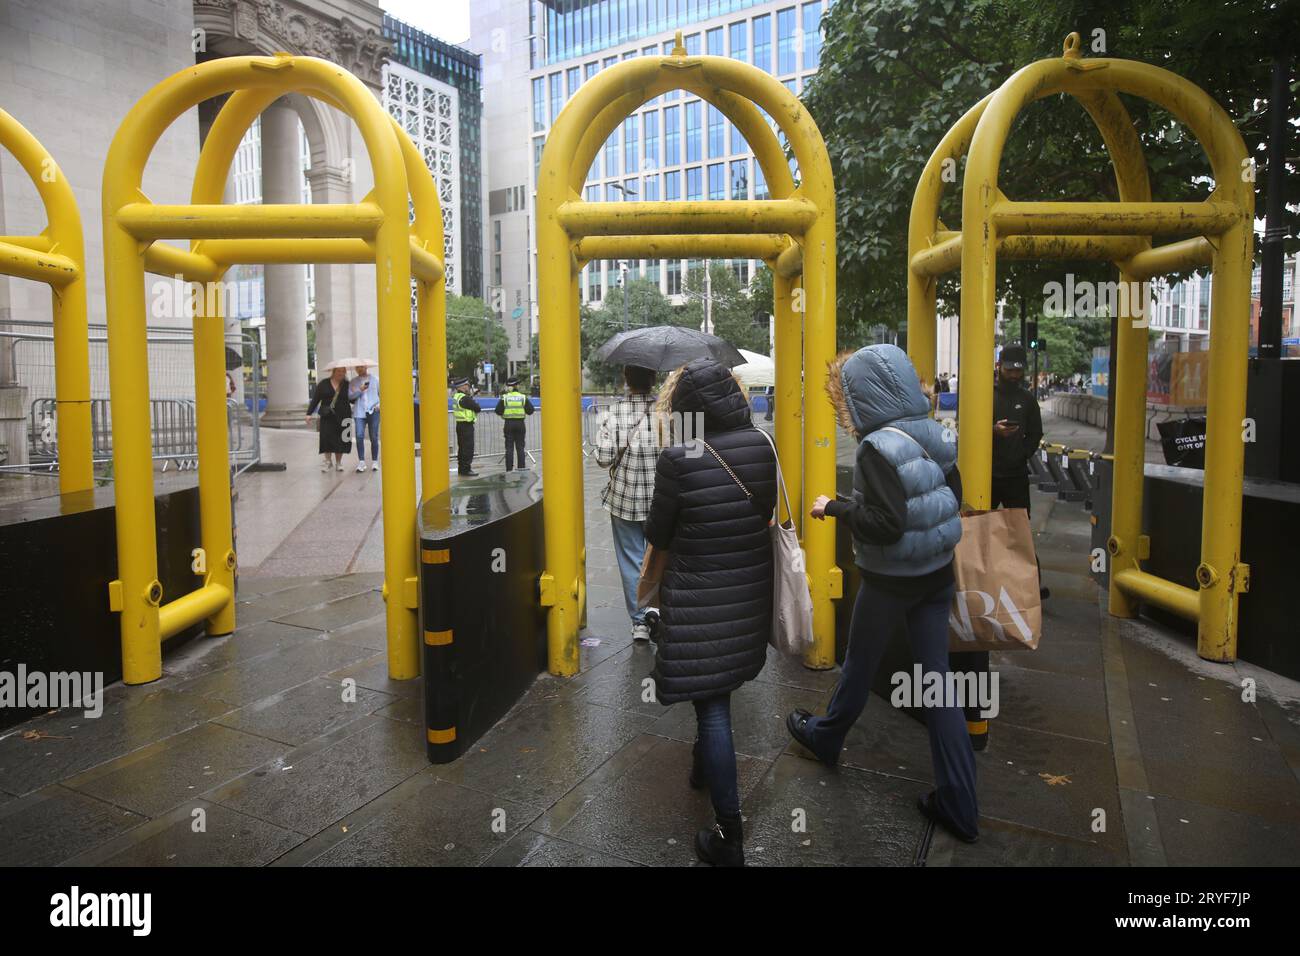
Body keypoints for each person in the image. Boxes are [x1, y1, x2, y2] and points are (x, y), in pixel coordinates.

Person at [784, 344, 978, 845]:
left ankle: (826, 738)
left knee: (857, 665)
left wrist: (834, 509)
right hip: (937, 574)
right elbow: (946, 496)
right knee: (938, 684)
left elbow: (886, 524)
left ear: (862, 396)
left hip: (891, 580)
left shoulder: (875, 448)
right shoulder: (935, 429)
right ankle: (959, 801)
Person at [643, 358, 777, 867]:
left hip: (698, 594)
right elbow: (762, 511)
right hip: (748, 590)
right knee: (717, 689)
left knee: (713, 706)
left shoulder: (679, 457)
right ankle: (703, 766)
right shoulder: (763, 444)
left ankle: (729, 834)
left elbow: (658, 533)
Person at [594, 365, 661, 642]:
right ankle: (660, 611)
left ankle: (640, 622)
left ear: (626, 380)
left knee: (630, 559)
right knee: (659, 557)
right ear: (654, 379)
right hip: (662, 500)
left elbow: (603, 458)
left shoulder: (612, 414)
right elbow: (689, 454)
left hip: (624, 500)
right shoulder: (669, 413)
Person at [306, 365, 352, 472]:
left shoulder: (347, 384)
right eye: (338, 371)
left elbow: (353, 399)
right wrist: (309, 413)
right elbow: (316, 399)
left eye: (343, 371)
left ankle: (339, 463)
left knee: (341, 439)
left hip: (344, 415)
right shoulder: (324, 384)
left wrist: (360, 391)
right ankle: (327, 461)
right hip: (327, 416)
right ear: (333, 372)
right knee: (326, 438)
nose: (341, 373)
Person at [494, 376, 534, 471]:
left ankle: (509, 469)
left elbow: (498, 411)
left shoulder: (505, 398)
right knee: (520, 447)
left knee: (509, 447)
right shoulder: (522, 397)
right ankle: (521, 468)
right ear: (516, 386)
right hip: (520, 424)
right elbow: (531, 410)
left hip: (508, 424)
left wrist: (504, 415)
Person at [349, 364, 380, 473]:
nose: (359, 369)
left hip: (374, 411)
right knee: (359, 435)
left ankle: (375, 461)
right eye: (357, 367)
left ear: (366, 367)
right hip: (359, 412)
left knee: (374, 437)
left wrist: (379, 405)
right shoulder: (353, 382)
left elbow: (382, 394)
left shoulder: (375, 379)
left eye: (361, 367)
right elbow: (350, 397)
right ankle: (361, 462)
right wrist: (359, 390)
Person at [451, 377, 481, 477]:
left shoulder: (457, 397)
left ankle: (461, 468)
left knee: (462, 448)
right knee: (468, 448)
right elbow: (477, 408)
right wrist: (473, 401)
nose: (468, 387)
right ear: (463, 386)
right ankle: (466, 469)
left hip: (460, 425)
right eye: (467, 385)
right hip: (466, 426)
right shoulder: (464, 398)